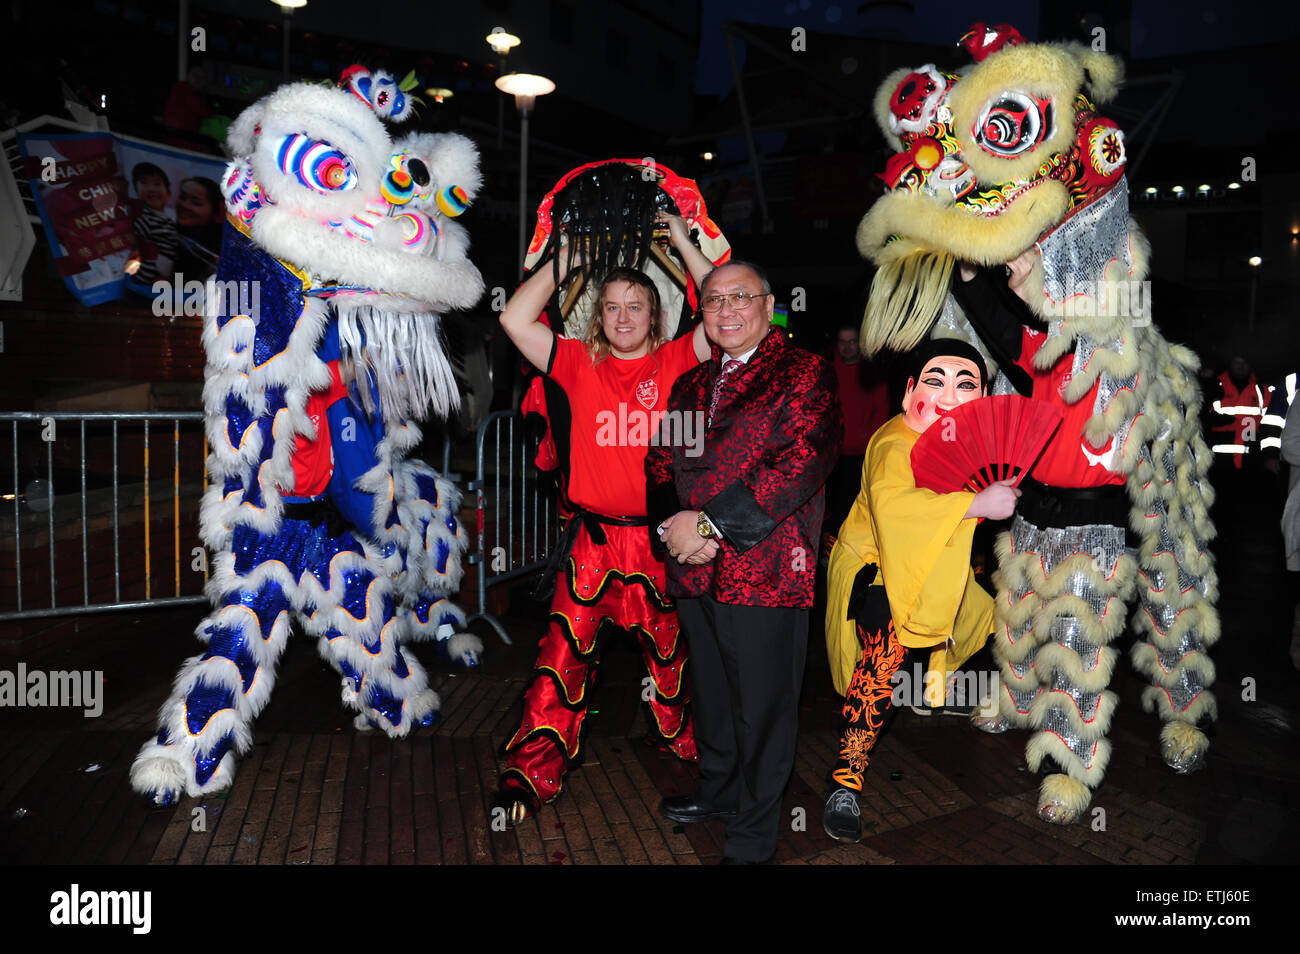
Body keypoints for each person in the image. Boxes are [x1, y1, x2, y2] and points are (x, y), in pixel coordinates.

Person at [491, 213, 716, 823]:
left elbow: (722, 309)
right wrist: (565, 256)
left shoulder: (675, 362)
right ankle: (530, 774)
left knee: (670, 661)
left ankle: (681, 743)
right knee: (560, 660)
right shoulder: (573, 362)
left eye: (635, 306)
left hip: (658, 546)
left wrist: (684, 242)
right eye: (611, 306)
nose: (622, 317)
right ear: (598, 315)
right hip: (591, 546)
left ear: (655, 316)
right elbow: (513, 319)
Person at [646, 261, 842, 864]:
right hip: (693, 563)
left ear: (769, 304)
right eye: (713, 300)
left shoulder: (803, 371)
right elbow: (660, 463)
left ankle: (755, 834)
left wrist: (708, 523)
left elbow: (802, 460)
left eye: (740, 297)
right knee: (711, 693)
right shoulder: (688, 384)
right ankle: (720, 789)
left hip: (766, 570)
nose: (726, 310)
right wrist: (671, 528)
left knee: (763, 706)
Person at [821, 338, 1015, 841]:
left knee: (1004, 614)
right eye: (935, 381)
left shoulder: (966, 445)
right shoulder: (894, 443)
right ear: (908, 394)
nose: (950, 395)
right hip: (877, 571)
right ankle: (845, 780)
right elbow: (895, 509)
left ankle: (978, 696)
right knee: (880, 670)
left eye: (965, 384)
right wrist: (975, 507)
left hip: (935, 571)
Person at [824, 323, 889, 538]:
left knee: (860, 512)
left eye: (852, 342)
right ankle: (830, 554)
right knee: (833, 513)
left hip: (863, 457)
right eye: (843, 342)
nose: (848, 347)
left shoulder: (872, 374)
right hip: (832, 458)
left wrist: (867, 441)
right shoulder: (827, 372)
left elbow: (881, 413)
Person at [129, 161, 179, 285]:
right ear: (136, 190)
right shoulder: (144, 217)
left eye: (157, 184)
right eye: (144, 182)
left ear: (168, 194)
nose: (151, 188)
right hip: (147, 278)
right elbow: (133, 244)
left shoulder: (170, 220)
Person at [174, 176, 224, 281]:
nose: (185, 205)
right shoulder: (164, 230)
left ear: (214, 213)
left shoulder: (218, 251)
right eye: (182, 197)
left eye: (196, 203)